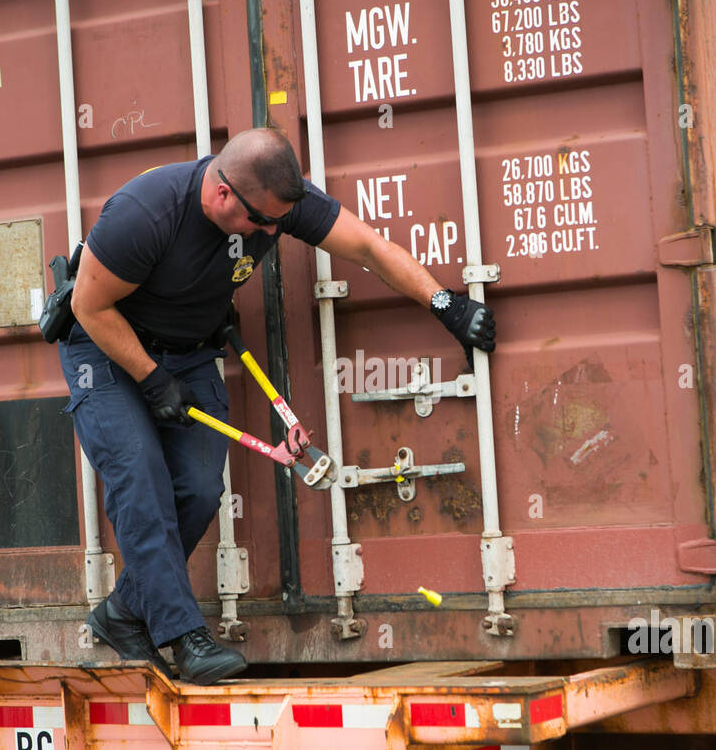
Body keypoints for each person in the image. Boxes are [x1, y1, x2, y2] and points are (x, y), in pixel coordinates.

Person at [62, 127, 496, 685]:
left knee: (197, 489)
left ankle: (123, 611)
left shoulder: (275, 201)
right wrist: (150, 378)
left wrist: (446, 305)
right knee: (140, 478)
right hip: (105, 349)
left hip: (190, 352)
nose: (273, 232)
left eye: (277, 222)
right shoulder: (144, 213)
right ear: (223, 195)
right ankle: (184, 638)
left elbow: (367, 246)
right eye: (262, 222)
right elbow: (89, 306)